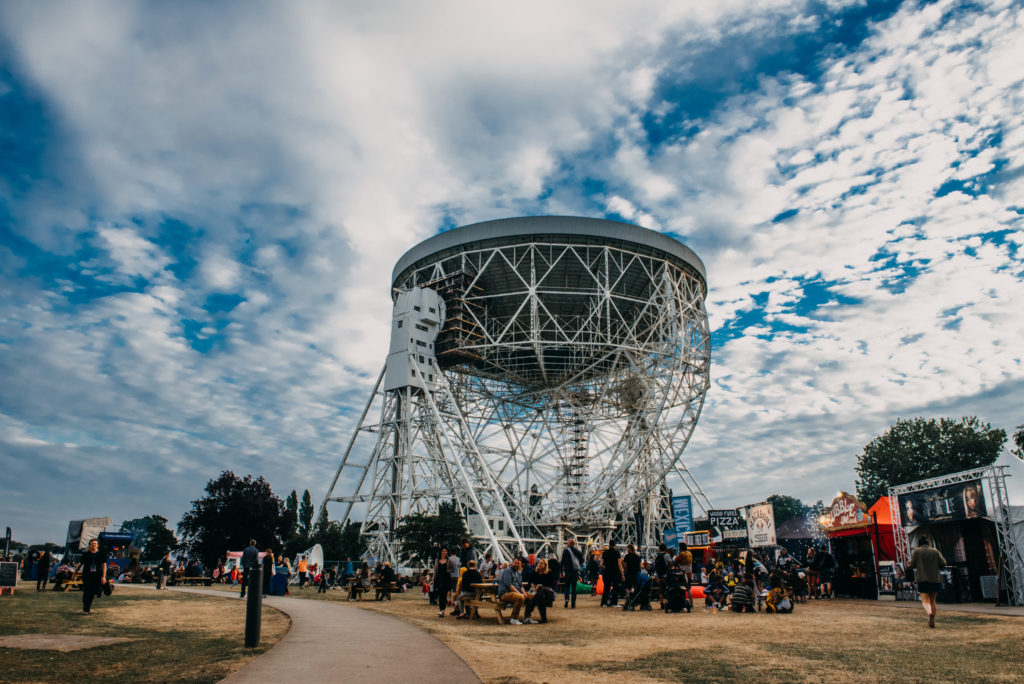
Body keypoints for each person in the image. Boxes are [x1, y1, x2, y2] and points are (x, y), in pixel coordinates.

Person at [910, 537, 946, 628]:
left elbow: (912, 564)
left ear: (919, 543)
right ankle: (933, 617)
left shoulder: (916, 551)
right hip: (935, 579)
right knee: (933, 601)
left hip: (923, 579)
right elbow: (943, 563)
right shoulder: (935, 551)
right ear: (928, 543)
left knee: (925, 601)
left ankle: (930, 614)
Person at [496, 557, 534, 625]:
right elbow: (508, 585)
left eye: (518, 563)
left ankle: (527, 618)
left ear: (521, 564)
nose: (516, 564)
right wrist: (520, 594)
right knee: (520, 597)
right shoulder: (508, 571)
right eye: (515, 563)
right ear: (512, 563)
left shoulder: (518, 573)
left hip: (514, 593)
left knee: (531, 597)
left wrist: (524, 593)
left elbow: (520, 585)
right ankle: (513, 619)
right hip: (505, 593)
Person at [76, 539, 107, 615]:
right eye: (92, 544)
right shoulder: (86, 554)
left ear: (97, 545)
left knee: (94, 591)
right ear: (89, 545)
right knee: (87, 592)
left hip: (97, 575)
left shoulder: (101, 554)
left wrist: (103, 576)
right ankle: (86, 609)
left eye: (95, 543)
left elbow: (104, 565)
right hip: (87, 575)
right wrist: (75, 573)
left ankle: (99, 592)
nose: (93, 545)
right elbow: (80, 564)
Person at [525, 558, 556, 624]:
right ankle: (544, 619)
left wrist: (541, 585)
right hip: (538, 593)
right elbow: (530, 581)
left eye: (541, 563)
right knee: (540, 598)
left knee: (541, 591)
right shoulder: (535, 572)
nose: (539, 564)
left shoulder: (549, 572)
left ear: (545, 565)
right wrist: (532, 585)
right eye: (539, 563)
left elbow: (551, 584)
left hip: (549, 591)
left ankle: (529, 610)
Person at [561, 539, 584, 608]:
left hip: (567, 572)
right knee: (574, 588)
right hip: (575, 572)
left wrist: (561, 571)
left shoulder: (565, 551)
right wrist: (577, 564)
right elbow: (582, 560)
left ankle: (567, 599)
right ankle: (573, 604)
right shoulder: (577, 551)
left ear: (569, 544)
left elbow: (562, 562)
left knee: (567, 586)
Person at [601, 542, 623, 607]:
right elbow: (619, 564)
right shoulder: (617, 553)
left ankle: (604, 603)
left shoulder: (605, 553)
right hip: (615, 572)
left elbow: (601, 564)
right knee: (615, 588)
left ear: (609, 545)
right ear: (615, 545)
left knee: (606, 588)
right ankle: (614, 603)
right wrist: (622, 574)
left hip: (607, 573)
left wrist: (606, 568)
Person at [434, 548, 453, 617]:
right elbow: (435, 570)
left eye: (445, 551)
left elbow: (452, 568)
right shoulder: (437, 560)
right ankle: (441, 609)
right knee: (440, 595)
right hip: (438, 579)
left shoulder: (449, 560)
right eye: (443, 551)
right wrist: (433, 579)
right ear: (441, 552)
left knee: (444, 595)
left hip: (446, 579)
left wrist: (448, 571)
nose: (444, 552)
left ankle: (442, 610)